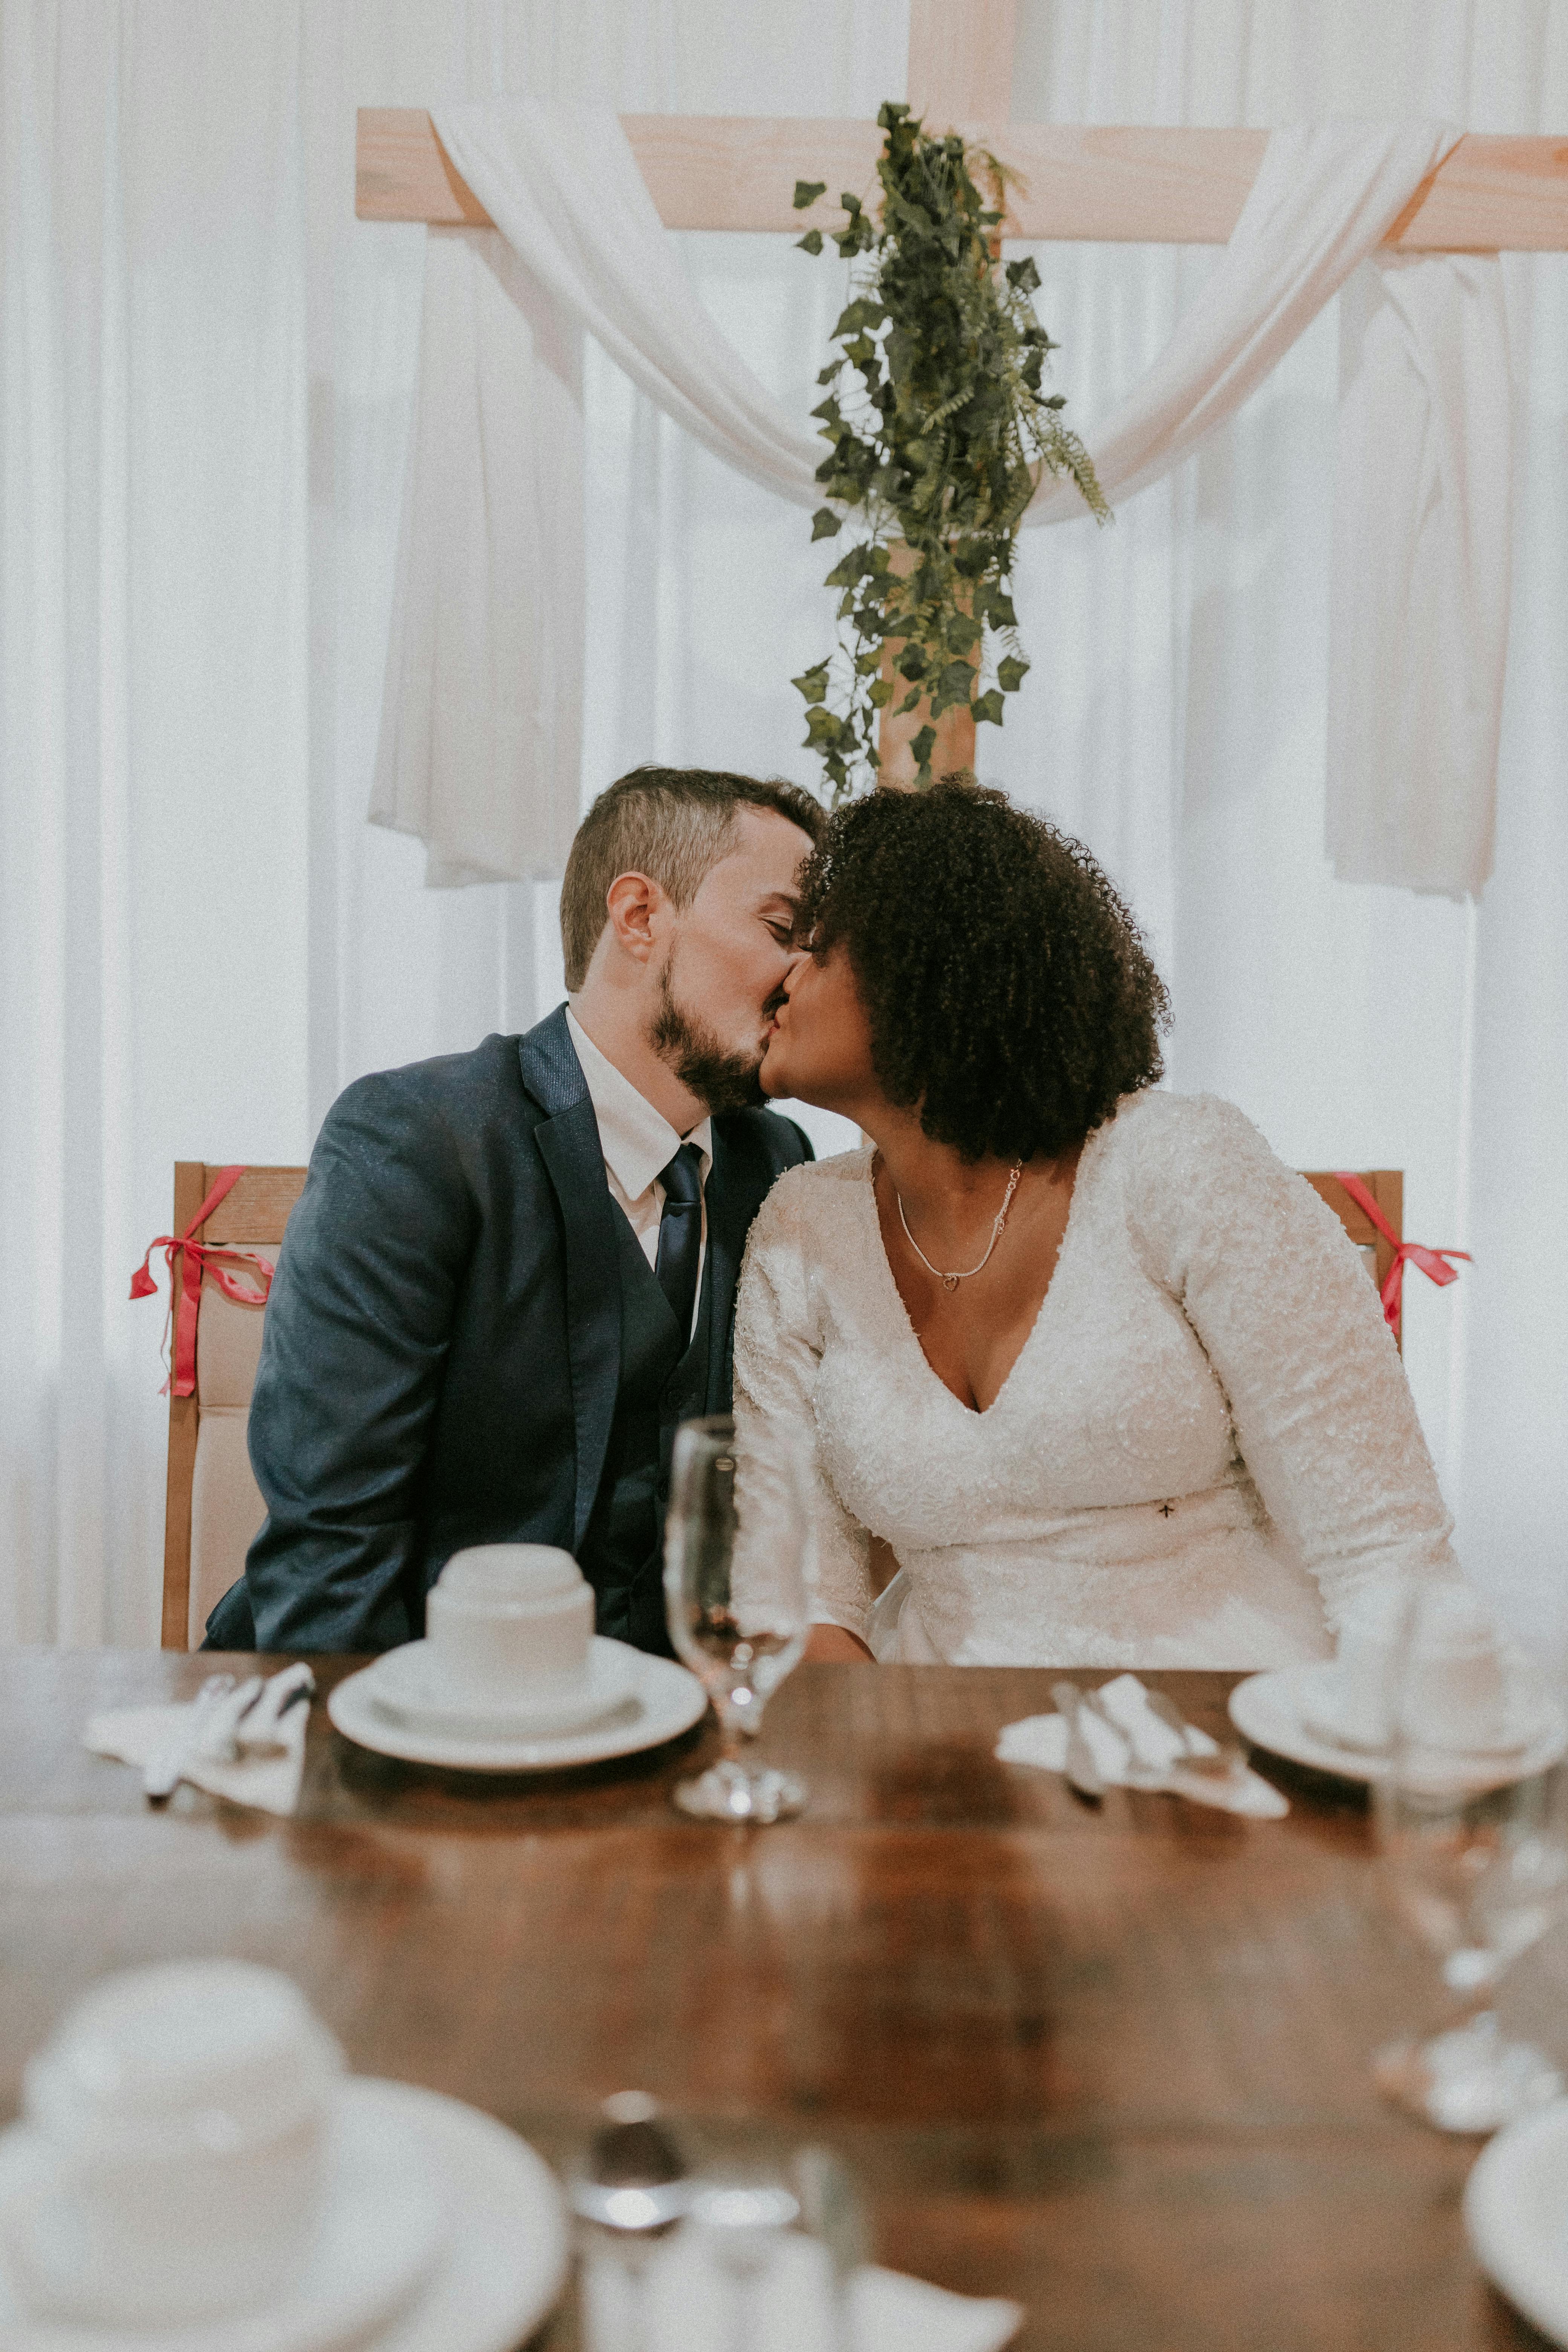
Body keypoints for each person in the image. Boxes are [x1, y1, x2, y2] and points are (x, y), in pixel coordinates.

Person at [737, 779, 1457, 1668]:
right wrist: (883, 1747)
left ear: (924, 968)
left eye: (814, 949)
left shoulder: (1181, 1163)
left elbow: (1382, 1546)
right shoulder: (799, 1225)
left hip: (1223, 1709)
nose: (783, 977)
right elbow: (796, 1594)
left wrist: (1391, 1742)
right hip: (933, 1722)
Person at [205, 765, 822, 1657]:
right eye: (781, 930)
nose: (805, 978)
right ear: (639, 916)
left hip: (665, 1710)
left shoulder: (777, 1163)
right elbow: (332, 1552)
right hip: (414, 1696)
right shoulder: (415, 1140)